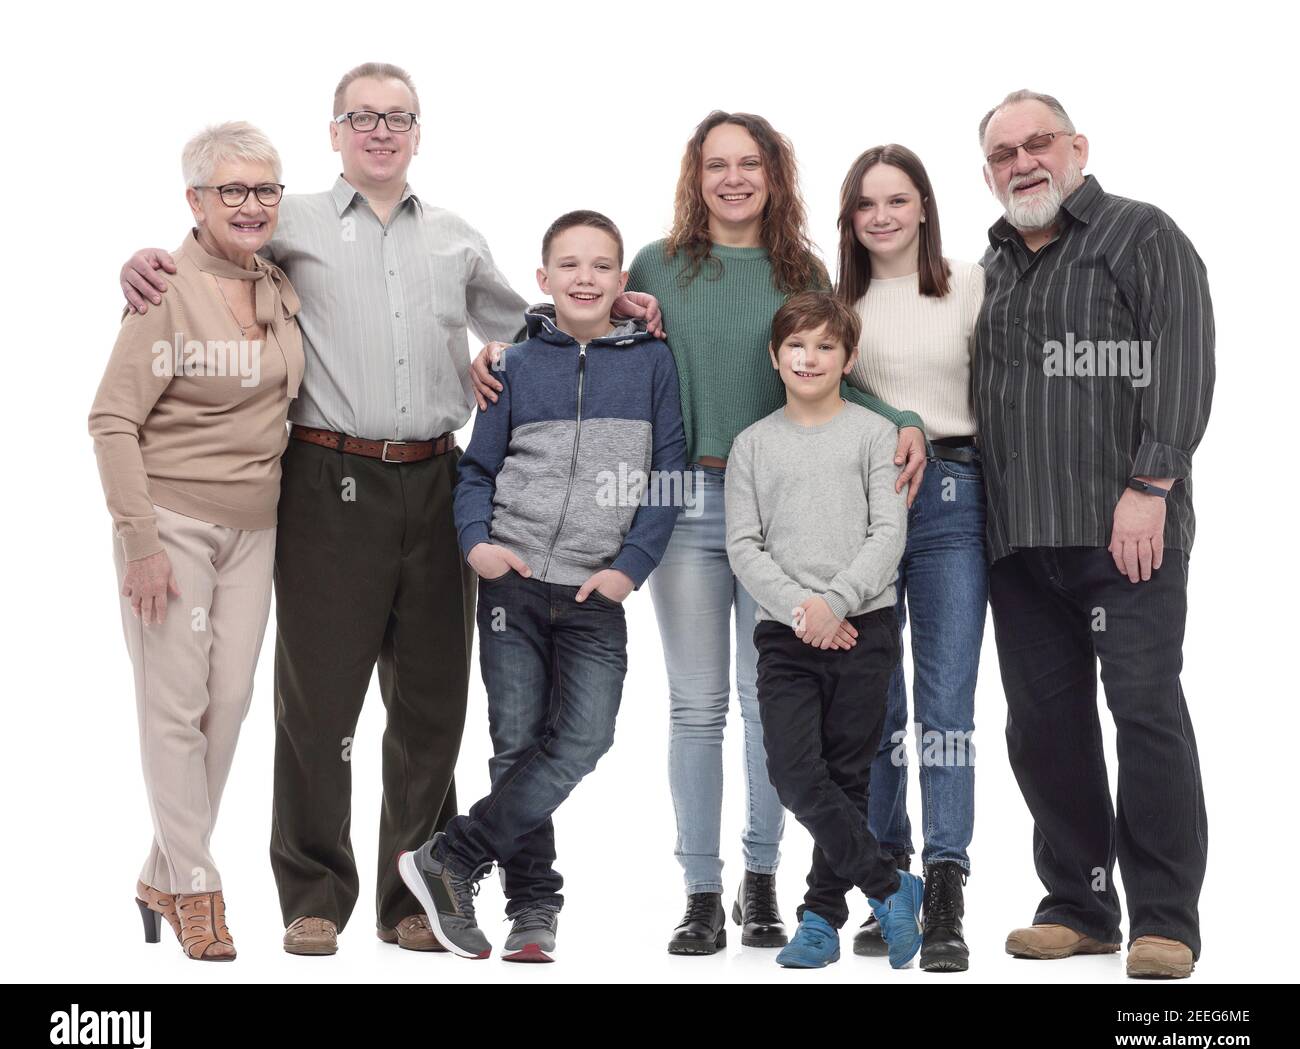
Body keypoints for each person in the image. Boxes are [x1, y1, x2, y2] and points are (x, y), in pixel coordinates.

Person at [118, 63, 661, 956]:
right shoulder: (286, 222)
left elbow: (535, 318)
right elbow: (213, 247)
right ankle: (315, 893)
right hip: (327, 480)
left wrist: (619, 303)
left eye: (398, 117)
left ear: (418, 132)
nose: (380, 130)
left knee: (432, 697)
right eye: (361, 117)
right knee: (318, 702)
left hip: (438, 480)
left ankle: (411, 894)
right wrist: (145, 259)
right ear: (333, 133)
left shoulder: (455, 237)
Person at [465, 110, 927, 954]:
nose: (734, 179)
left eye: (750, 163)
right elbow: (585, 321)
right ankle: (701, 891)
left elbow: (825, 369)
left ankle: (761, 880)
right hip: (675, 503)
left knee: (764, 706)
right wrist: (498, 349)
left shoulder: (801, 267)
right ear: (696, 175)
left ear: (773, 173)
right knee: (695, 705)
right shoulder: (657, 265)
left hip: (771, 512)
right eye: (717, 164)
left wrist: (900, 418)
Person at [398, 210, 686, 961]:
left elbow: (668, 477)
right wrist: (478, 547)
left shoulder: (654, 363)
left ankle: (454, 854)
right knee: (516, 744)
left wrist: (631, 568)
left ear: (623, 284)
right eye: (569, 265)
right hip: (514, 583)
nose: (584, 278)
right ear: (543, 279)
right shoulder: (517, 364)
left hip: (597, 588)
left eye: (600, 267)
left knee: (587, 736)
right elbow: (477, 469)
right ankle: (532, 906)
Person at [974, 90, 1215, 979]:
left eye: (1037, 143)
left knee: (1146, 711)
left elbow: (1184, 352)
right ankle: (1078, 906)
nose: (1022, 162)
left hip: (1127, 535)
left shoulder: (1138, 234)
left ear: (1076, 146)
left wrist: (1152, 483)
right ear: (989, 173)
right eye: (1003, 154)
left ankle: (1165, 919)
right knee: (1043, 728)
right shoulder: (991, 266)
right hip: (1019, 543)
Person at [91, 121, 304, 961]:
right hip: (172, 525)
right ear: (195, 201)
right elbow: (110, 419)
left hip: (258, 528)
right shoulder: (164, 288)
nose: (251, 205)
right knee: (173, 708)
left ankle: (159, 870)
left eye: (265, 190)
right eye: (232, 191)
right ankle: (200, 886)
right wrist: (139, 541)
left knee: (231, 703)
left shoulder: (280, 282)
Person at [727, 290, 921, 969]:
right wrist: (805, 610)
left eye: (826, 346)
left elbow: (887, 533)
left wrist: (837, 602)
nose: (810, 357)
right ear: (775, 357)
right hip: (786, 636)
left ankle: (819, 918)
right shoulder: (752, 445)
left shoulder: (873, 435)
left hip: (863, 630)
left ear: (849, 358)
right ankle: (893, 884)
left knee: (847, 778)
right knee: (794, 773)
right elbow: (744, 546)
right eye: (796, 346)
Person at [834, 145, 987, 972]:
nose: (884, 215)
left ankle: (947, 878)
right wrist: (896, 415)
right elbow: (819, 385)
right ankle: (886, 876)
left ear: (925, 206)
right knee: (877, 708)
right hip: (863, 500)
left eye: (899, 199)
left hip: (954, 496)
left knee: (946, 707)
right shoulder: (839, 299)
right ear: (850, 219)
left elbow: (998, 386)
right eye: (867, 204)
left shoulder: (967, 280)